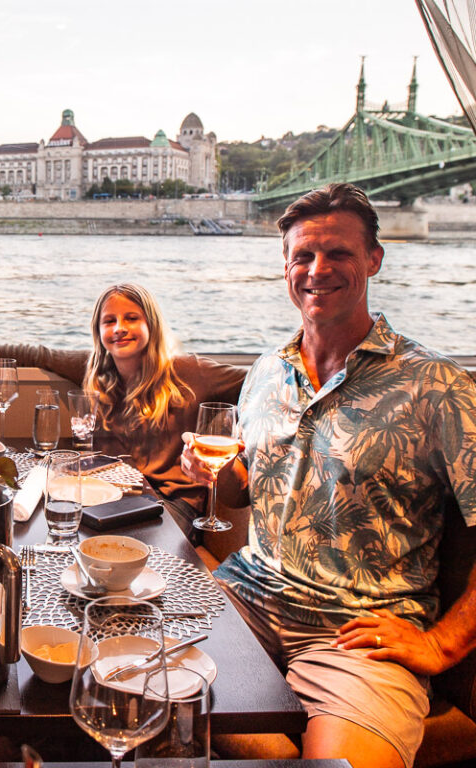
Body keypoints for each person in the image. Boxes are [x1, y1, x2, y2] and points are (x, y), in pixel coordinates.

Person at [181, 183, 476, 768]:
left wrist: (444, 642)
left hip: (358, 632)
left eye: (337, 253)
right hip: (245, 597)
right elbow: (251, 490)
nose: (317, 270)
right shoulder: (264, 371)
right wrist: (212, 472)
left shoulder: (436, 385)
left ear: (373, 259)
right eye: (302, 257)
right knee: (109, 673)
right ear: (285, 268)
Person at [0, 282, 245, 534]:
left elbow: (258, 379)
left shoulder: (189, 371)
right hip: (110, 495)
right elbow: (28, 353)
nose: (119, 328)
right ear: (98, 332)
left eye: (131, 318)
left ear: (151, 325)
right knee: (46, 528)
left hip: (173, 505)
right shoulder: (94, 368)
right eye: (109, 321)